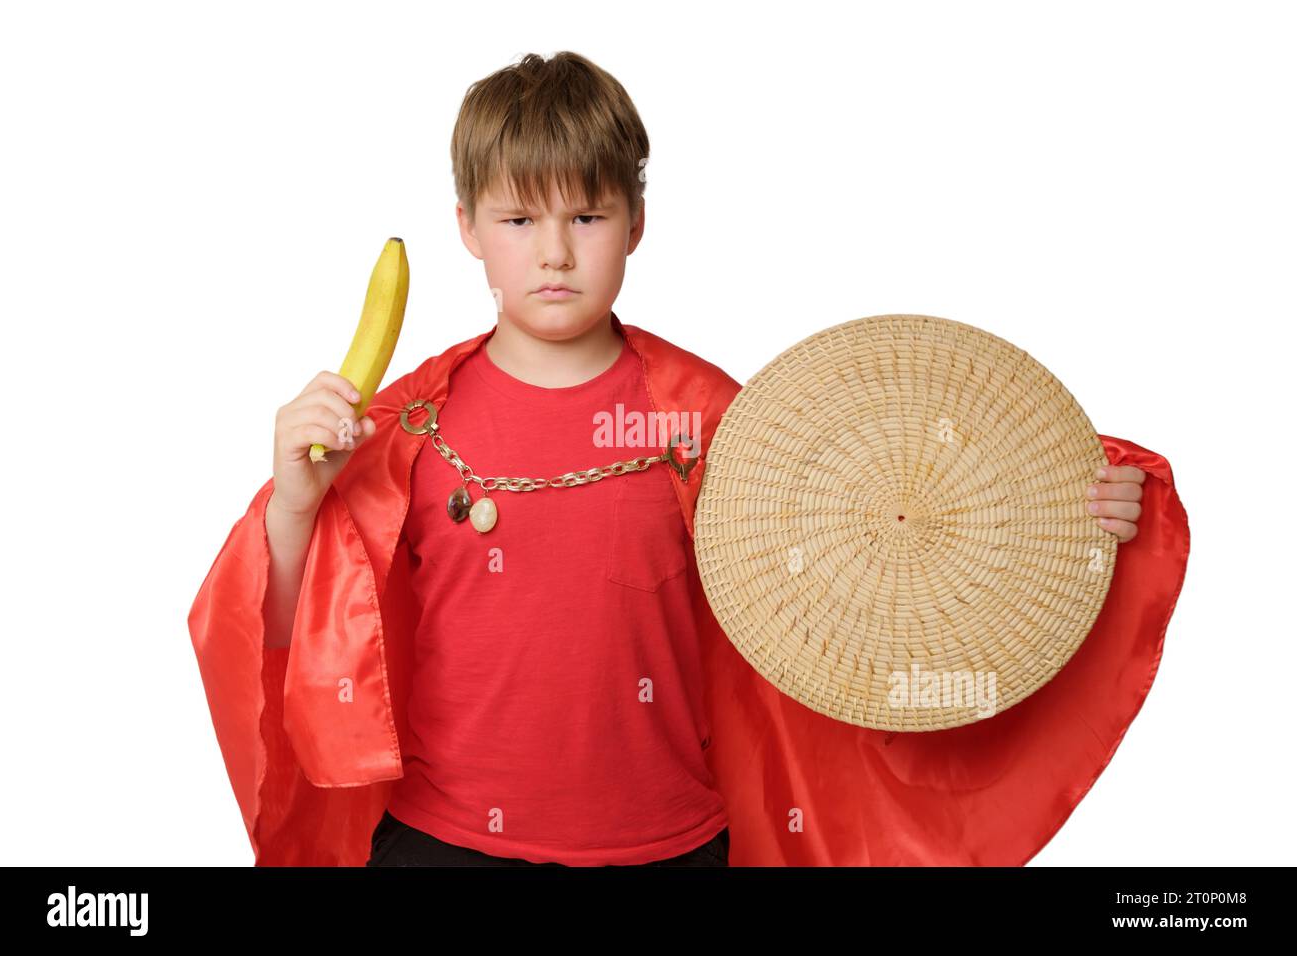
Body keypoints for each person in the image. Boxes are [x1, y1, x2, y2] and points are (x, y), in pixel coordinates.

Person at [188, 51, 1188, 867]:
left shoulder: (712, 418)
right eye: (517, 219)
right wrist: (292, 503)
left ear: (635, 220)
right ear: (467, 231)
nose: (554, 252)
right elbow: (284, 636)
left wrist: (1064, 515)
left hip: (668, 848)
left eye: (585, 215)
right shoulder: (405, 424)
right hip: (445, 842)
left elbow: (896, 542)